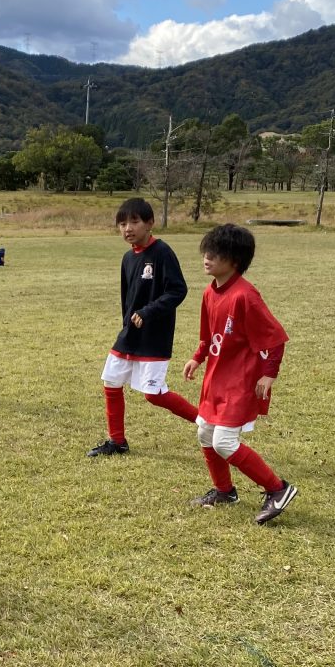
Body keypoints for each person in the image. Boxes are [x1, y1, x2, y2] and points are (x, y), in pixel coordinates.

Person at [182, 223, 298, 524]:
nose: (207, 257)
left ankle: (278, 488)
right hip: (216, 378)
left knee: (224, 442)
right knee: (205, 434)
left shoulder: (246, 296)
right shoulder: (209, 292)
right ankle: (224, 491)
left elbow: (276, 338)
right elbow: (208, 335)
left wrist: (269, 374)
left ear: (234, 260)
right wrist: (197, 358)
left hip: (241, 381)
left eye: (216, 253)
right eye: (206, 250)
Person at [87, 196, 198, 456]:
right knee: (111, 382)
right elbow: (127, 298)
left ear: (150, 223)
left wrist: (149, 312)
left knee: (154, 395)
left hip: (154, 335)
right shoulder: (128, 258)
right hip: (129, 334)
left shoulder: (162, 252)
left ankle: (208, 422)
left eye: (134, 222)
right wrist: (128, 321)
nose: (128, 228)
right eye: (122, 223)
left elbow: (178, 290)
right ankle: (117, 441)